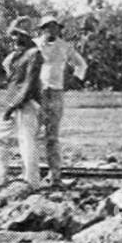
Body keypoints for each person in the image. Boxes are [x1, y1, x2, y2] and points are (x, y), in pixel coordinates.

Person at [0, 17, 44, 187]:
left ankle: (32, 182)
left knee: (26, 141)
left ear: (26, 36)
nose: (13, 39)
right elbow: (9, 76)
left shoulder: (35, 54)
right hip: (13, 103)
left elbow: (28, 86)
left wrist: (11, 107)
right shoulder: (15, 55)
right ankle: (2, 177)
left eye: (16, 35)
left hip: (26, 104)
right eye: (12, 35)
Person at [35, 14, 88, 185]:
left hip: (56, 92)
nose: (51, 30)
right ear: (42, 29)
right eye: (47, 27)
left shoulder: (65, 47)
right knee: (32, 134)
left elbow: (81, 64)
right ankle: (31, 174)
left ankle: (55, 174)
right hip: (37, 93)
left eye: (54, 27)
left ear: (58, 29)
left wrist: (76, 79)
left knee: (52, 136)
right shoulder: (34, 45)